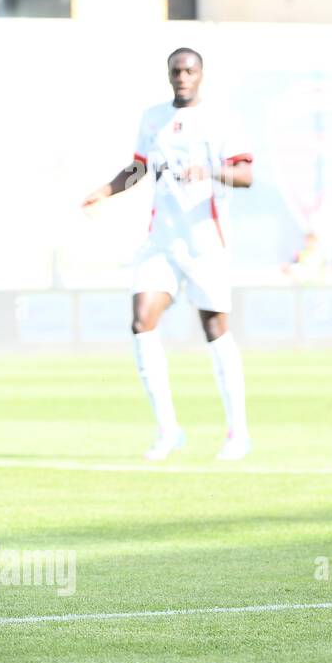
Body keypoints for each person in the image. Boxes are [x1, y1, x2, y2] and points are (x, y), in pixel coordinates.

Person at [81, 47, 255, 461]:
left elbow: (246, 175)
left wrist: (209, 171)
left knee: (215, 330)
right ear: (168, 75)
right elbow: (140, 167)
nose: (182, 77)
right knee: (142, 321)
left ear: (201, 75)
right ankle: (168, 430)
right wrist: (105, 190)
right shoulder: (153, 118)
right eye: (176, 71)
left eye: (189, 71)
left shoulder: (221, 120)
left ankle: (238, 433)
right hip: (161, 240)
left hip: (204, 241)